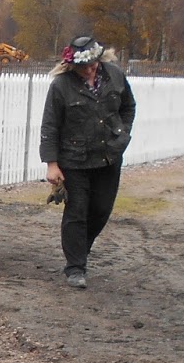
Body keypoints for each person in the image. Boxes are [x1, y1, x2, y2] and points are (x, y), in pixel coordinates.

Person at [38, 35, 136, 289]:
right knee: (76, 212)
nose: (89, 69)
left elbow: (128, 106)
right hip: (74, 159)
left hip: (108, 156)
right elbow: (50, 125)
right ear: (71, 65)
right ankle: (75, 267)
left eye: (92, 64)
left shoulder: (115, 75)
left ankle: (80, 249)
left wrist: (122, 134)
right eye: (83, 66)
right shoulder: (61, 86)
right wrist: (51, 163)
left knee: (101, 210)